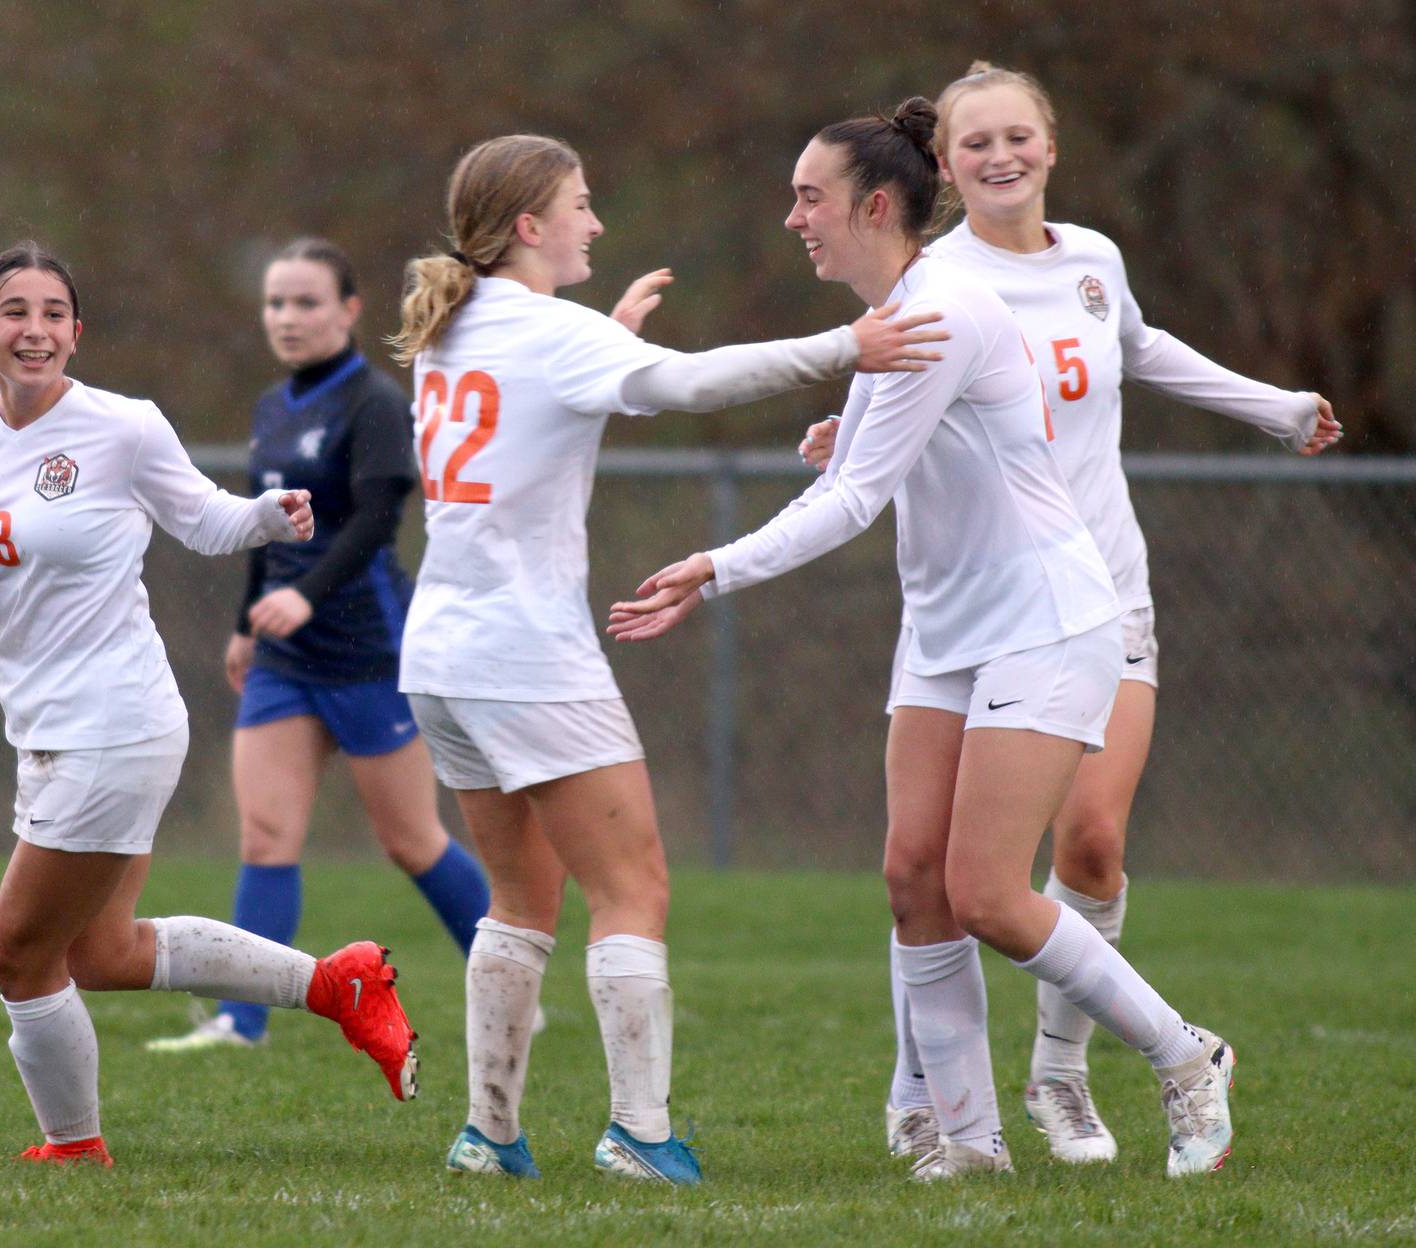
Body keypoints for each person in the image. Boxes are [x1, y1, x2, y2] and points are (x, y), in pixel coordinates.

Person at [610, 101, 1243, 1180]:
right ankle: (969, 1143)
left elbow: (855, 500)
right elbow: (862, 458)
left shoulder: (940, 308)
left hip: (1044, 620)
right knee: (914, 879)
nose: (792, 219)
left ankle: (1186, 1058)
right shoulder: (894, 313)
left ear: (872, 205)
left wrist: (715, 567)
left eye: (808, 199)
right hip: (947, 631)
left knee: (989, 894)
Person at [799, 64, 1340, 1167]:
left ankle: (1063, 1078)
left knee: (1086, 843)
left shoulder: (1094, 261)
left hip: (1095, 596)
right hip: (962, 606)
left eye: (1018, 137)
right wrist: (838, 442)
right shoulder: (930, 275)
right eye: (974, 144)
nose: (1000, 157)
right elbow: (874, 419)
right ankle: (932, 1106)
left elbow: (1138, 349)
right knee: (921, 871)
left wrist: (1276, 409)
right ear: (941, 167)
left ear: (1050, 146)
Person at [389, 133, 948, 1184]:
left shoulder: (457, 326)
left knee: (518, 901)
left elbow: (556, 395)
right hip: (526, 656)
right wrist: (846, 347)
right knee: (633, 885)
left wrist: (604, 343)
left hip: (442, 656)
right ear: (528, 227)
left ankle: (489, 1135)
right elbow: (687, 386)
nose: (596, 222)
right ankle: (640, 1136)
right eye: (582, 204)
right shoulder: (544, 332)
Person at [0, 242, 418, 1168]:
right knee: (102, 955)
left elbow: (206, 519)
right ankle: (337, 986)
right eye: (15, 312)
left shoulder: (123, 427)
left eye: (55, 313)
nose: (36, 330)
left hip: (116, 721)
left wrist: (269, 516)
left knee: (19, 953)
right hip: (45, 723)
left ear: (77, 332)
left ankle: (75, 1150)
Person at [146, 238, 491, 1053]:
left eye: (306, 302)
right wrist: (247, 619)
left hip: (369, 652)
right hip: (282, 660)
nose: (288, 318)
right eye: (276, 303)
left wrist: (307, 594)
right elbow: (269, 523)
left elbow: (377, 519)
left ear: (349, 310)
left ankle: (506, 977)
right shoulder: (273, 408)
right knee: (266, 835)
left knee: (412, 840)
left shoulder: (371, 402)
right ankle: (243, 1020)